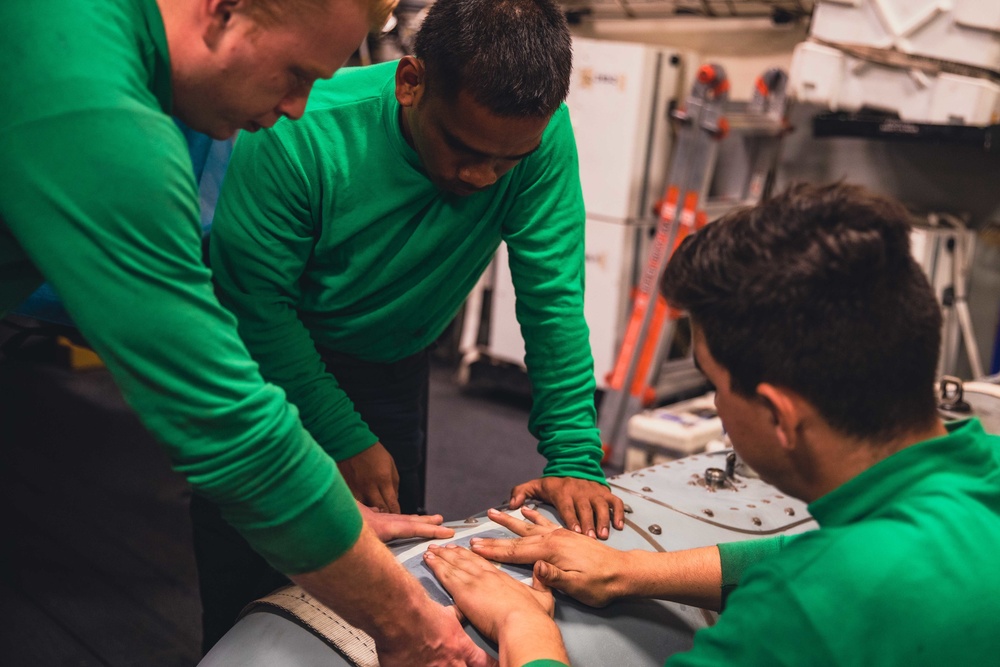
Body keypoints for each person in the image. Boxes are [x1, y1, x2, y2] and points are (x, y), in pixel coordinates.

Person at [0, 1, 493, 664]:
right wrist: (414, 628)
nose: (297, 107)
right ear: (223, 9)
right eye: (295, 74)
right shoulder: (94, 102)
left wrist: (329, 519)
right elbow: (224, 425)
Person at [423, 182, 1000, 666]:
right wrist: (631, 571)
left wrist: (524, 626)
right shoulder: (981, 484)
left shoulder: (803, 611)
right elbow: (807, 553)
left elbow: (824, 580)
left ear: (778, 416)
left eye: (714, 385)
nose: (717, 408)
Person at [204, 0, 625, 632]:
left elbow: (553, 297)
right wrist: (343, 434)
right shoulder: (301, 132)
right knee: (251, 587)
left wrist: (573, 457)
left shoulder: (532, 139)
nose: (484, 175)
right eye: (463, 148)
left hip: (394, 363)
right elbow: (256, 308)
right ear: (411, 83)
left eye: (507, 160)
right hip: (261, 369)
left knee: (391, 578)